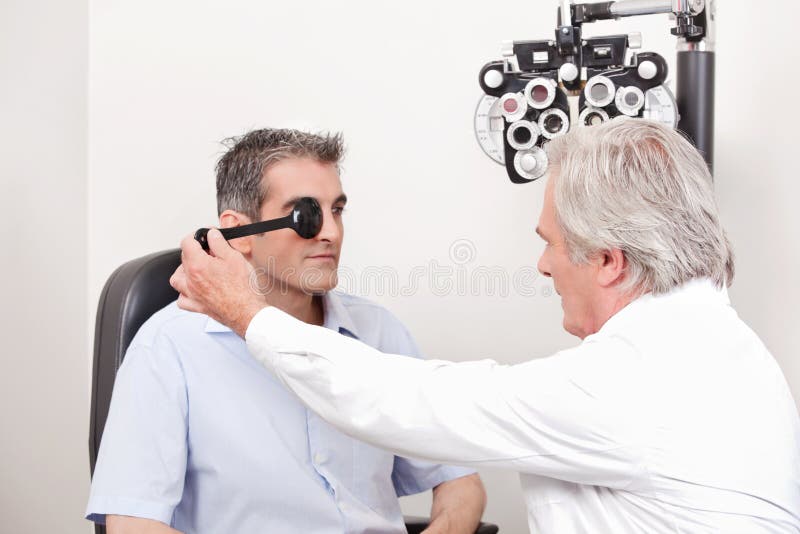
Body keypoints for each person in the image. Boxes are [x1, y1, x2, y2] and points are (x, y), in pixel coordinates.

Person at [171, 118, 800, 533]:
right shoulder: (733, 354)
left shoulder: (631, 382)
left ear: (609, 260)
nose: (543, 265)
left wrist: (242, 311)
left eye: (552, 244)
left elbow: (406, 403)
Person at [86, 128, 486, 534]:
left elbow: (460, 482)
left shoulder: (379, 332)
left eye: (338, 210)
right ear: (238, 234)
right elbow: (132, 524)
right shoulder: (168, 347)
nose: (331, 232)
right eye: (307, 215)